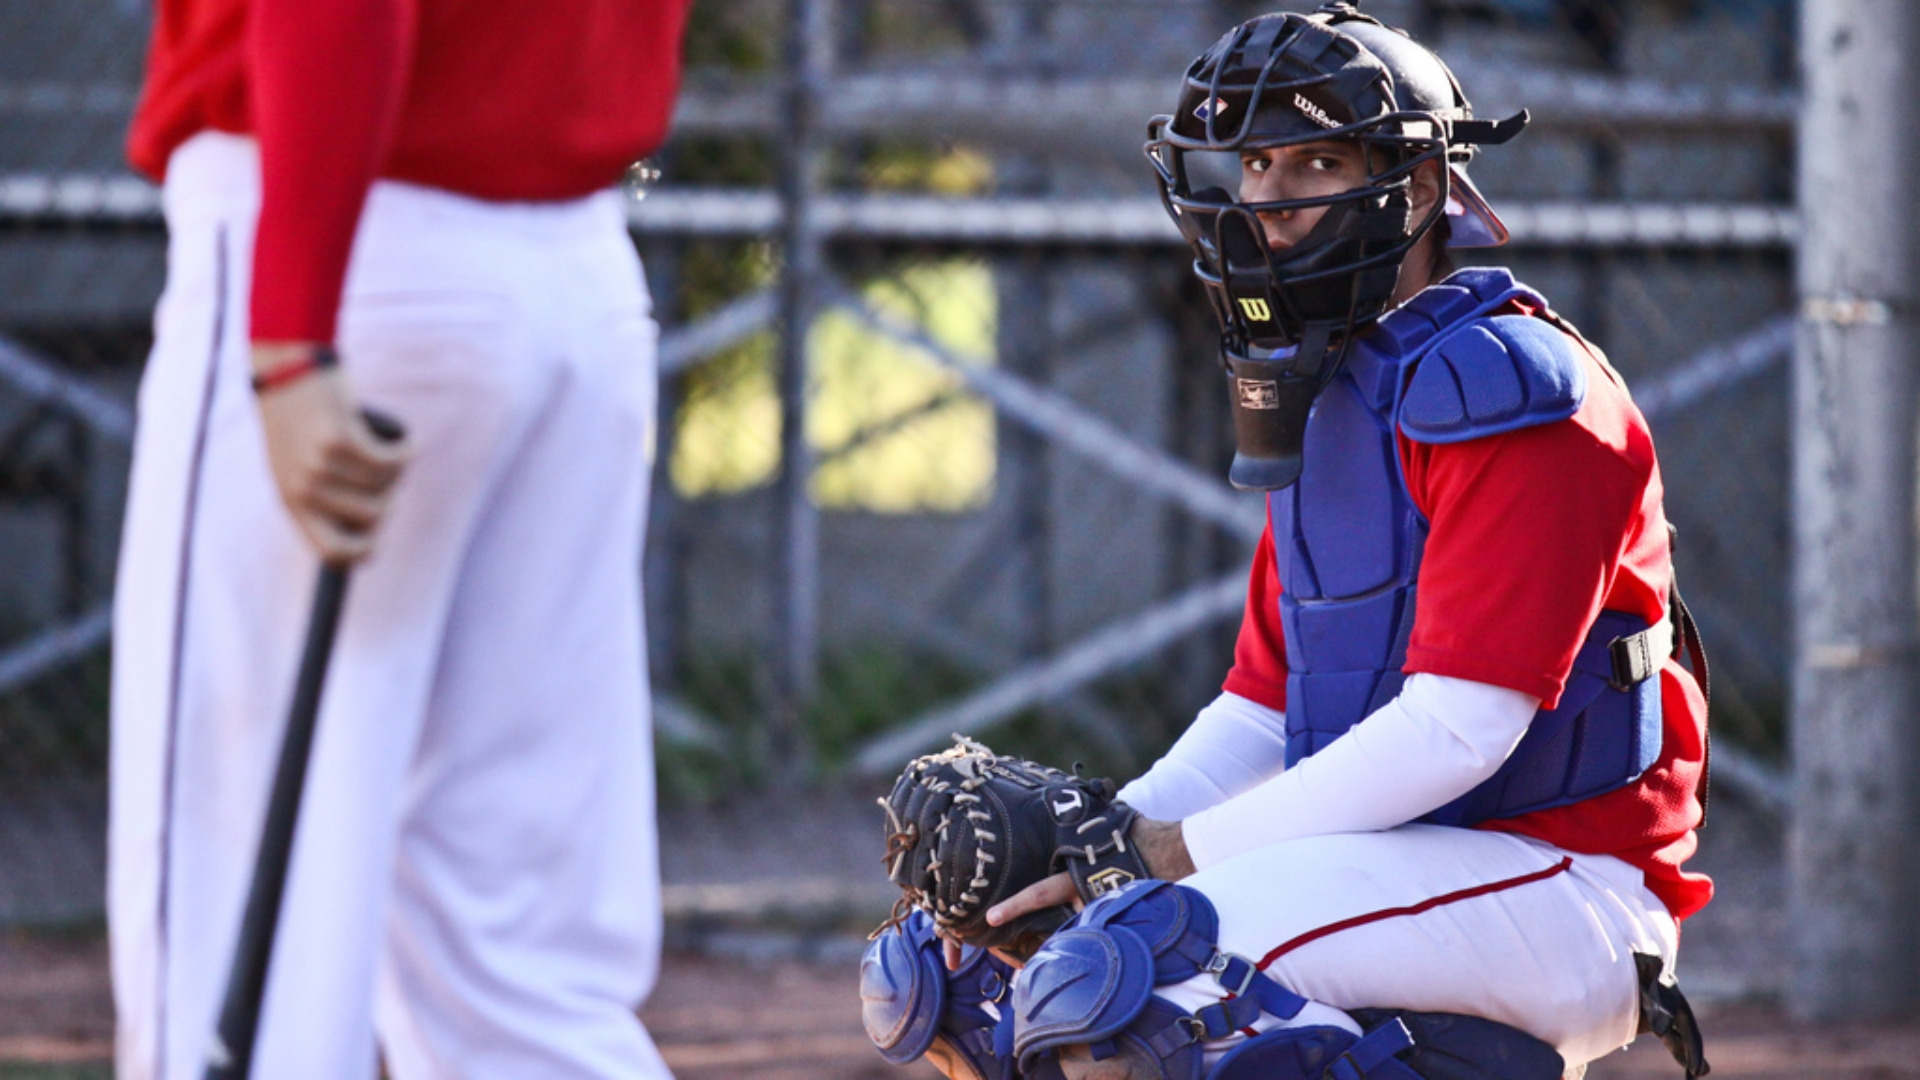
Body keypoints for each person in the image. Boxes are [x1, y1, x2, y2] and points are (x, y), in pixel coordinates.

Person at [869, 5, 1712, 1079]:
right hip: (1399, 873)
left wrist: (1156, 866)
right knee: (975, 972)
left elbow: (1460, 733)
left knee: (1144, 965)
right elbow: (1262, 713)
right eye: (1254, 164)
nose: (1267, 204)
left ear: (1413, 189)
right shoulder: (1336, 396)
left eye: (1314, 160)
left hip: (1564, 887)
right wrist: (1107, 844)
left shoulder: (1514, 392)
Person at [107, 1, 692, 1076]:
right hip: (576, 271)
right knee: (521, 967)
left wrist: (289, 327)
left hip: (342, 238)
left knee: (237, 925)